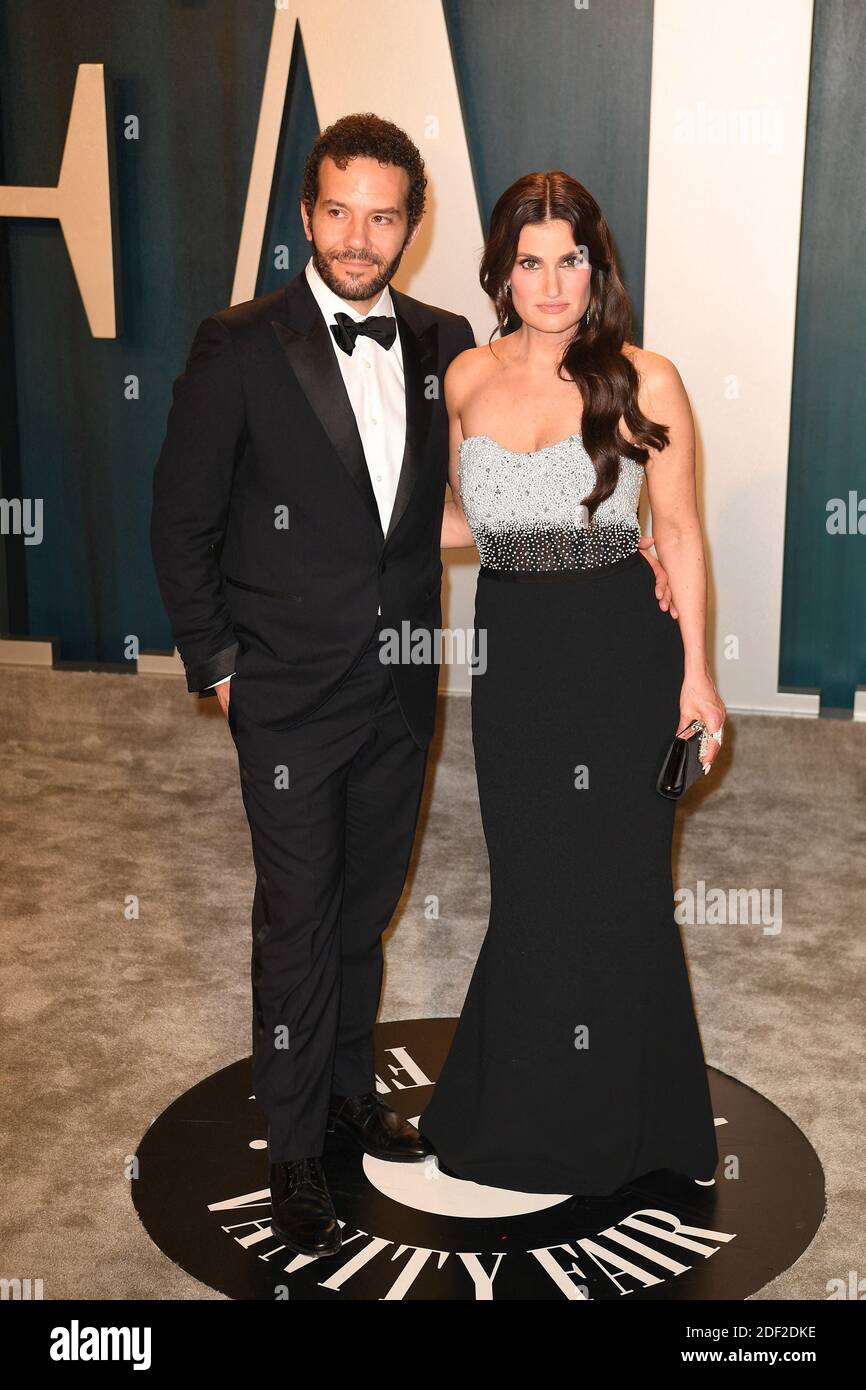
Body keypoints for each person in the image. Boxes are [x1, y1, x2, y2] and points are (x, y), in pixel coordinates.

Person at [150, 118, 675, 1260]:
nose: (358, 235)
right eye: (338, 210)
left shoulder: (442, 344)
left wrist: (593, 539)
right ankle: (293, 1158)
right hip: (283, 689)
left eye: (382, 215)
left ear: (411, 226)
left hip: (401, 688)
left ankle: (345, 1100)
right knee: (296, 918)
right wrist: (222, 670)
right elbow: (180, 521)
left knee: (359, 915)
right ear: (304, 214)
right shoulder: (237, 344)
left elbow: (451, 505)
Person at [420, 171, 725, 1196]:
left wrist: (696, 678)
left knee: (620, 885)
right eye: (529, 262)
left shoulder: (646, 376)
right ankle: (520, 1111)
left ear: (596, 270)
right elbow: (463, 520)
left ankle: (631, 1125)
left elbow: (675, 528)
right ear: (502, 274)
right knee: (534, 880)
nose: (551, 285)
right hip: (513, 650)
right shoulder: (464, 376)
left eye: (570, 260)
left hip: (617, 650)